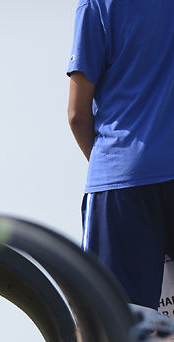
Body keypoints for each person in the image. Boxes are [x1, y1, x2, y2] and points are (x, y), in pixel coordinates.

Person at [67, 0, 174, 314]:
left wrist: (114, 166)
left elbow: (76, 114)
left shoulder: (96, 4)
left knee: (118, 331)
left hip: (121, 180)